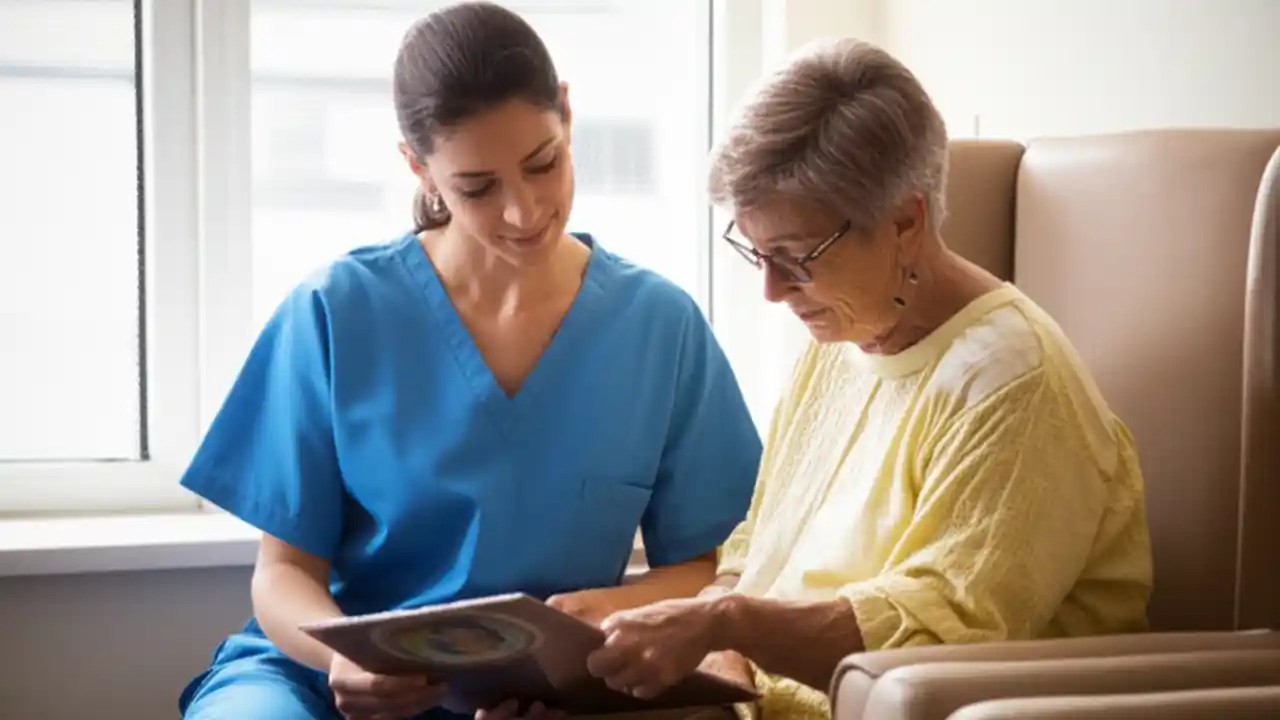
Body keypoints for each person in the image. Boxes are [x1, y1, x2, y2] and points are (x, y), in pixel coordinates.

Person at [176, 3, 761, 719]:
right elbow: (283, 573)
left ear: (568, 116)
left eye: (543, 163)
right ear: (419, 169)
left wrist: (607, 611)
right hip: (326, 683)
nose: (524, 211)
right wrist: (341, 661)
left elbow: (705, 568)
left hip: (548, 693)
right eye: (477, 187)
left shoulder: (659, 327)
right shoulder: (337, 310)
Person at [582, 38, 1154, 719]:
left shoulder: (1014, 383)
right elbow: (758, 548)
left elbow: (939, 635)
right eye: (755, 252)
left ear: (906, 221)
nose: (771, 291)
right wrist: (711, 639)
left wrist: (727, 624)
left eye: (795, 257)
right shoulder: (841, 337)